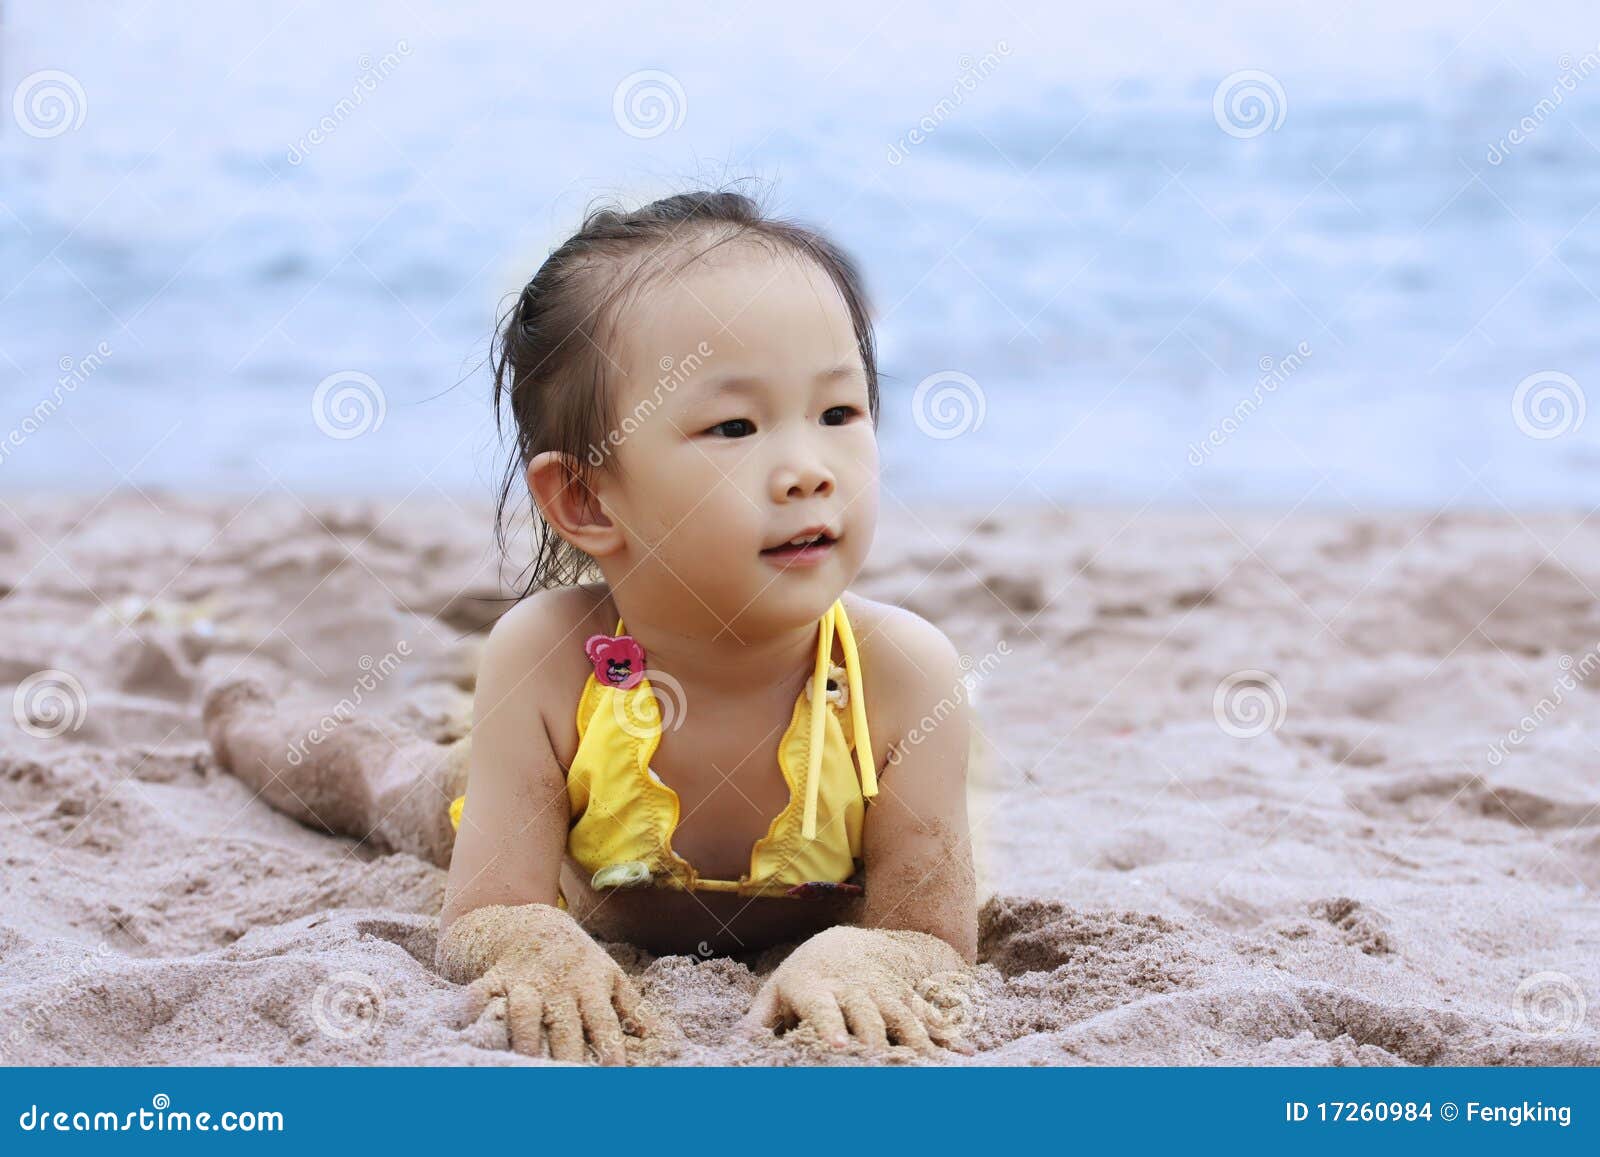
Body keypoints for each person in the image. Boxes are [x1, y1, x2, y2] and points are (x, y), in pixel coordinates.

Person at [204, 189, 978, 1065]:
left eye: (839, 413)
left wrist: (861, 951)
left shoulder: (904, 672)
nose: (809, 470)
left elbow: (934, 934)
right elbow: (487, 910)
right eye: (734, 425)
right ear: (585, 497)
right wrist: (535, 943)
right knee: (373, 780)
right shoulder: (546, 657)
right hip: (514, 806)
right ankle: (240, 721)